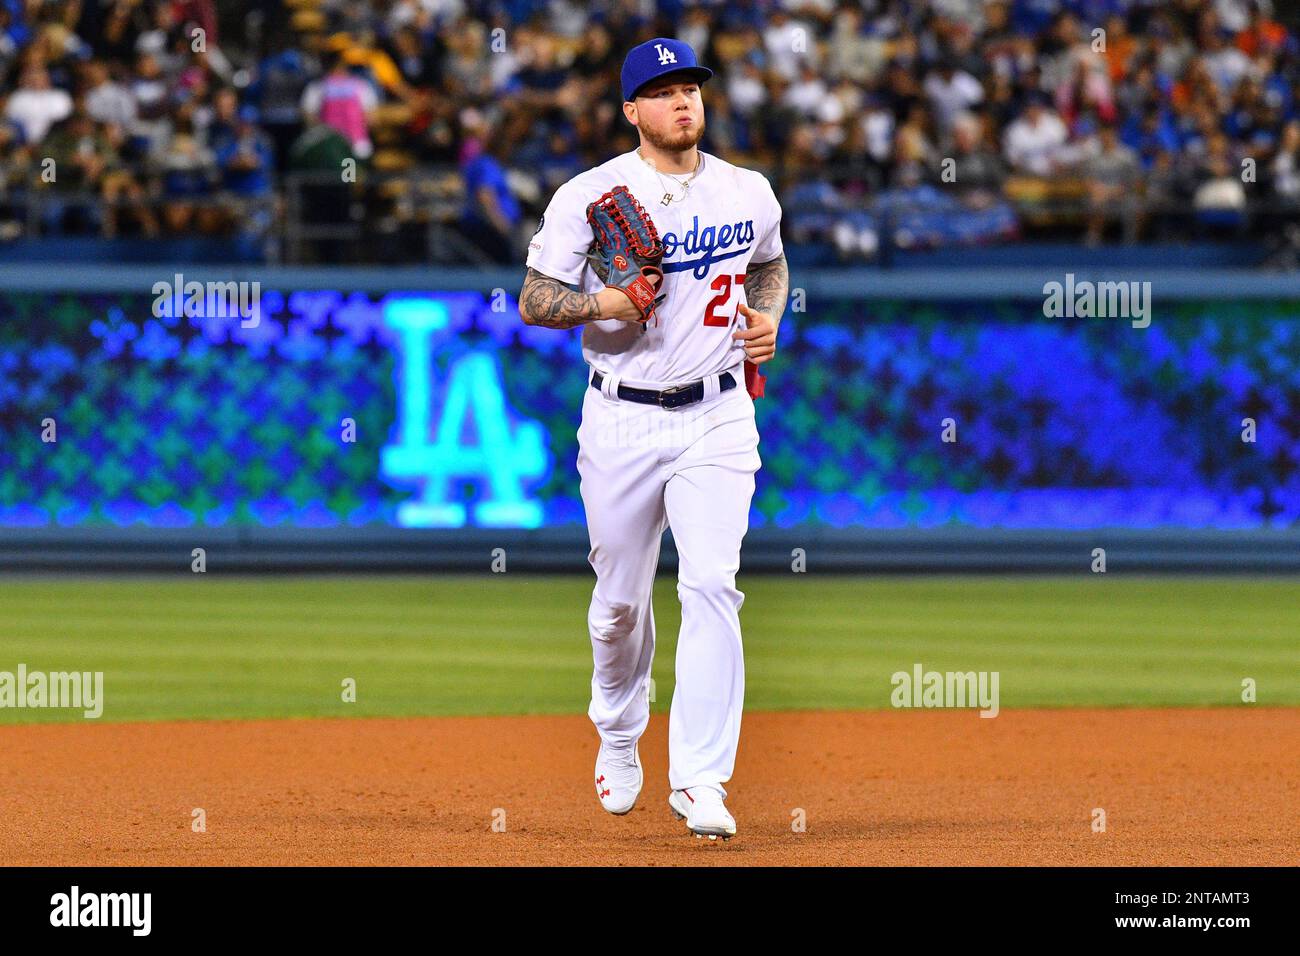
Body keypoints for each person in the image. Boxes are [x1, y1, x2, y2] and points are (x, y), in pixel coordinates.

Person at [517, 38, 788, 840]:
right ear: (631, 110)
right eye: (663, 91)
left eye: (691, 89)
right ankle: (617, 726)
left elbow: (769, 266)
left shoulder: (749, 191)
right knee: (619, 609)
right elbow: (534, 297)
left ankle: (701, 779)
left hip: (718, 413)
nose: (683, 102)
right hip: (621, 415)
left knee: (711, 584)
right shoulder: (590, 193)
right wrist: (603, 303)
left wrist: (768, 315)